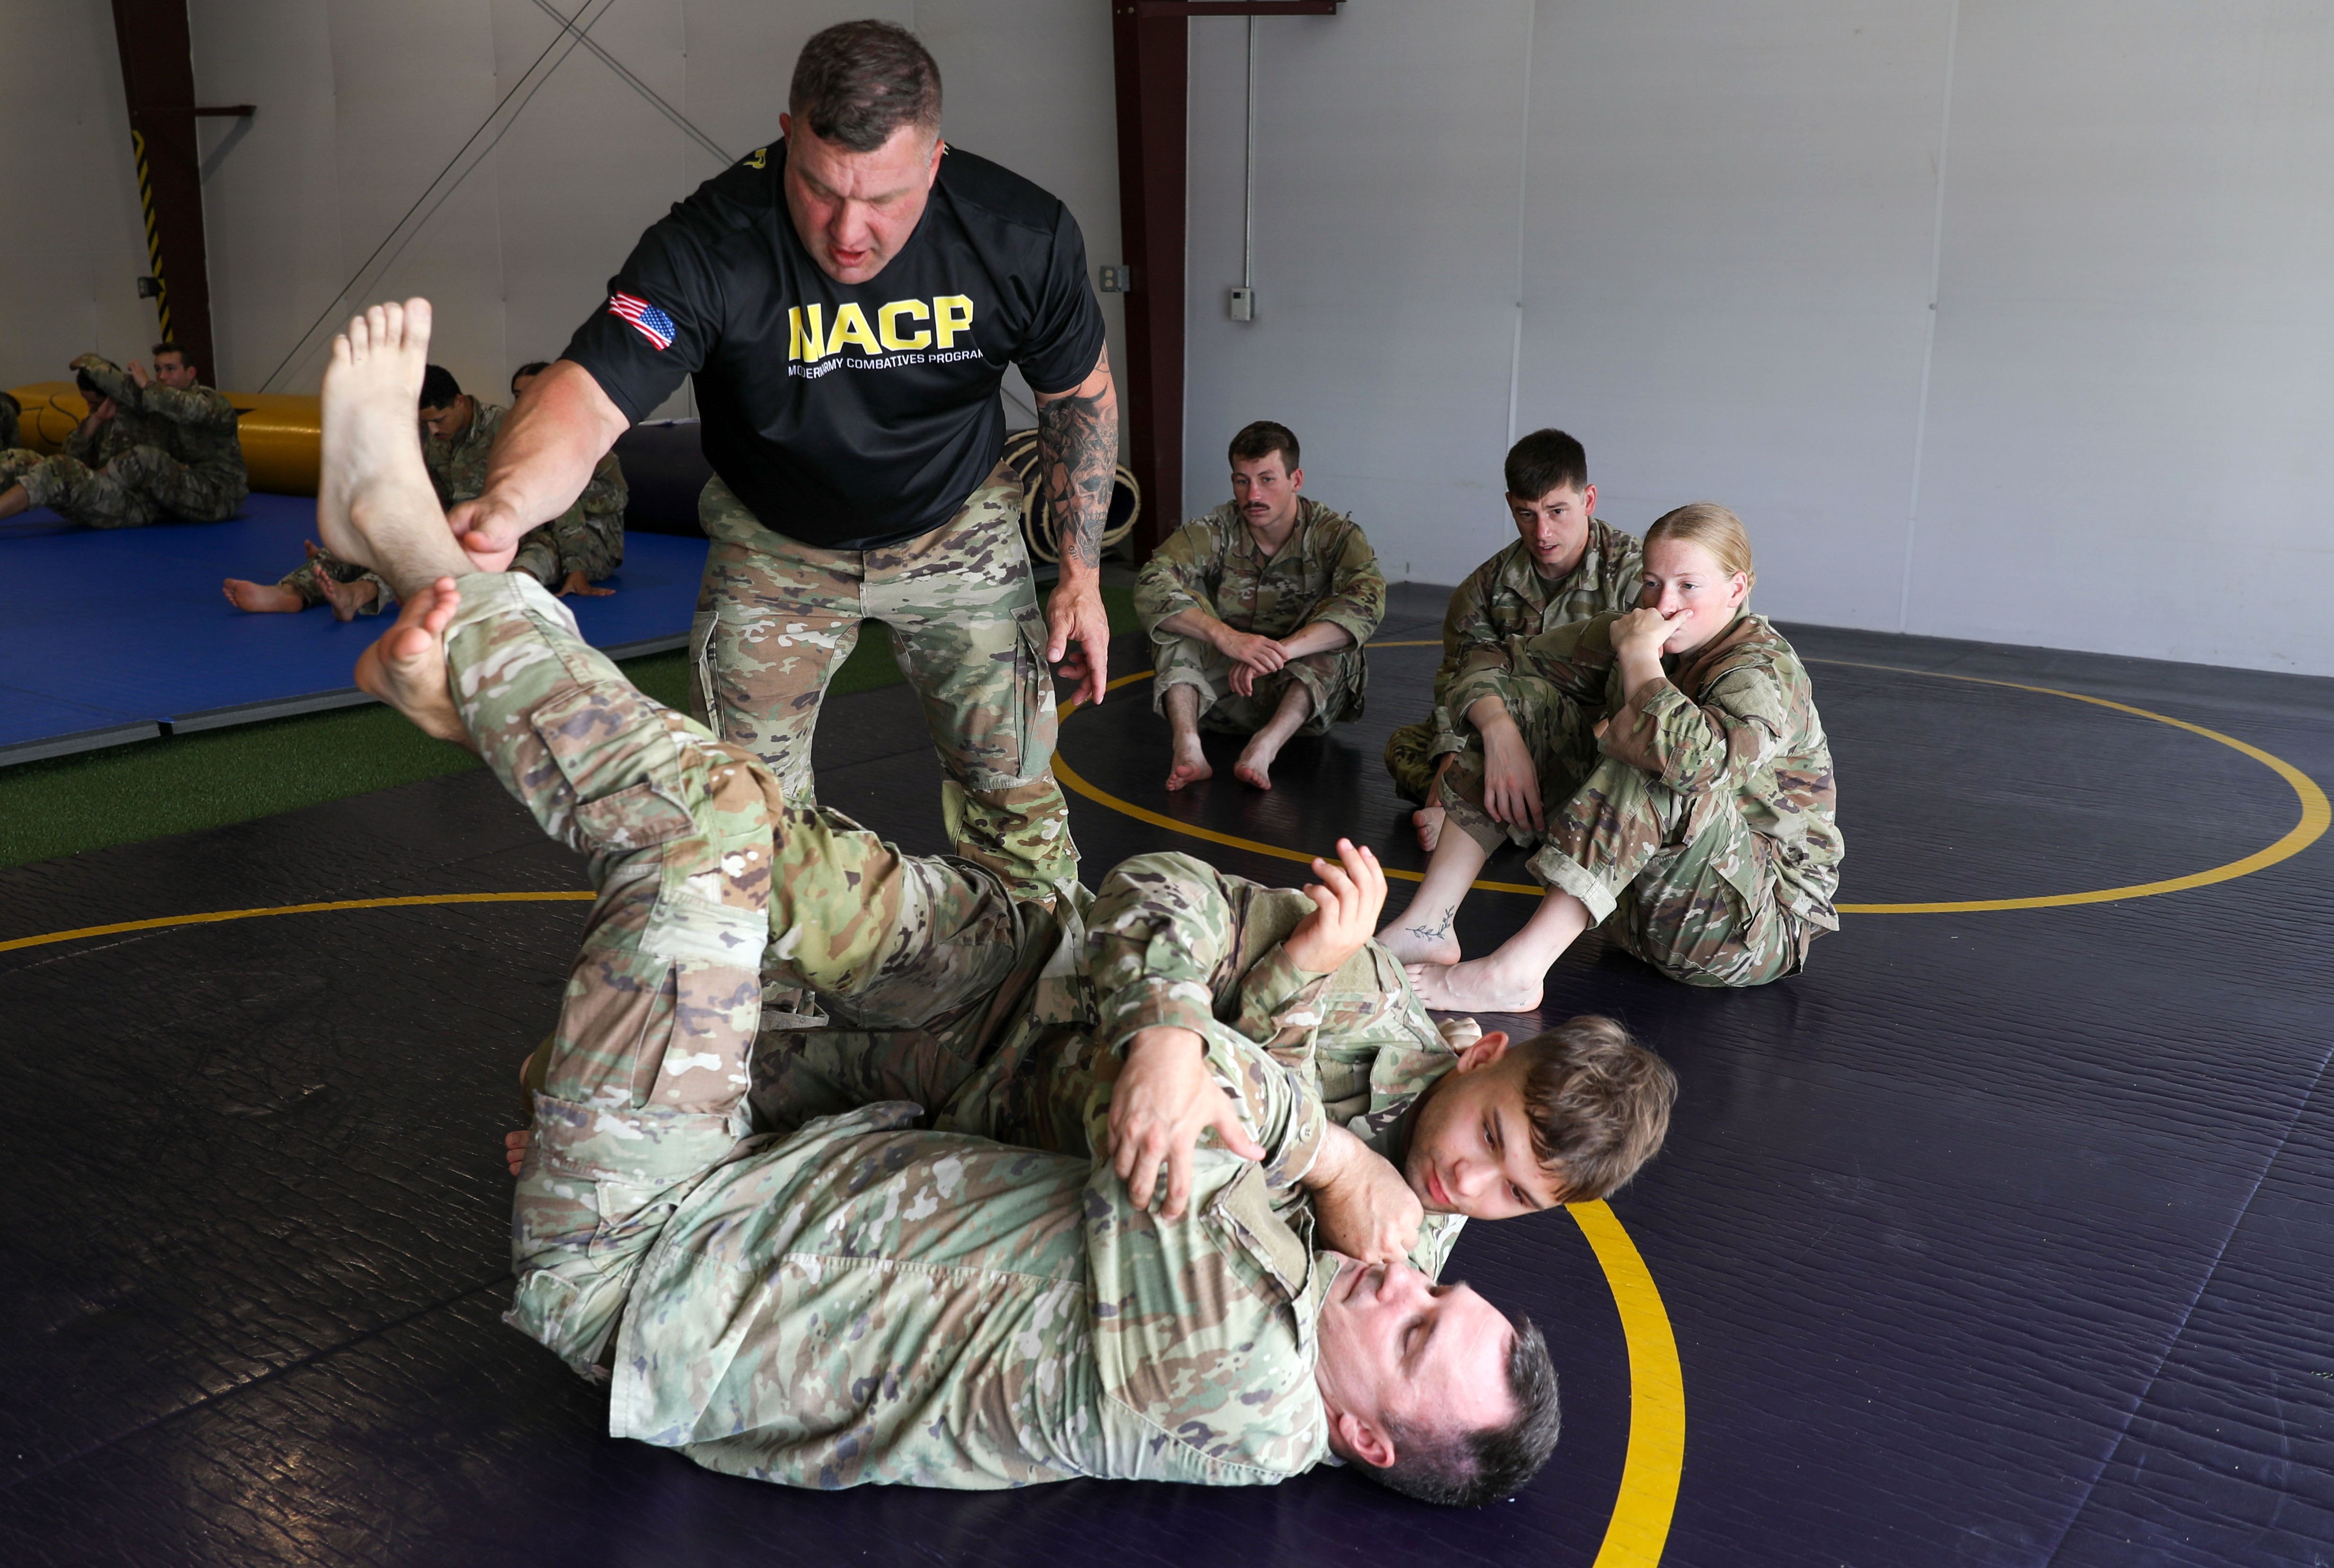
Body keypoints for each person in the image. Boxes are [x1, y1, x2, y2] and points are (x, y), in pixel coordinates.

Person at [314, 296, 1558, 1501]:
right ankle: (462, 668)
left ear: (1364, 1437)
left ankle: (416, 551)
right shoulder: (1357, 1255)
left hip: (653, 1259)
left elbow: (1203, 1109)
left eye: (1409, 1338)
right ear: (1479, 1055)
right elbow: (1166, 954)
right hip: (783, 1165)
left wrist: (1328, 1144)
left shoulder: (1240, 1371)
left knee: (708, 836)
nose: (1410, 1278)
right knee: (756, 856)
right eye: (1438, 1296)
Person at [441, 19, 1118, 903]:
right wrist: (503, 509)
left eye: (885, 199)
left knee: (1016, 792)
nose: (848, 232)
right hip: (777, 544)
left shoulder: (1018, 233)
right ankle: (783, 1032)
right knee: (745, 819)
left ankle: (1043, 999)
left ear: (936, 161)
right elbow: (589, 393)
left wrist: (1082, 571)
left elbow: (1079, 398)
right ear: (787, 135)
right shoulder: (712, 242)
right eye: (821, 189)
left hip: (960, 528)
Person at [506, 838, 1681, 1277]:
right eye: (1487, 1136)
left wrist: (1272, 1007)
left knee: (589, 1090)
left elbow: (1227, 1254)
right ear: (1479, 1050)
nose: (1468, 1184)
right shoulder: (1370, 986)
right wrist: (1171, 1025)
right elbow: (1157, 885)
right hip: (1008, 964)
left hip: (954, 1111)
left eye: (1518, 1194)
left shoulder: (1398, 1248)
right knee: (771, 866)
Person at [1379, 503, 1842, 1008]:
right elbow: (1493, 661)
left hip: (1745, 931)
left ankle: (1518, 972)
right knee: (1521, 707)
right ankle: (1429, 925)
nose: (1664, 604)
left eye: (1689, 586)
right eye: (1652, 582)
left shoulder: (1762, 671)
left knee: (1656, 756)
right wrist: (1499, 730)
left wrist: (1641, 659)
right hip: (1644, 914)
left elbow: (1694, 765)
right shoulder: (1633, 629)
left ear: (1737, 590)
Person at [1387, 429, 1645, 852]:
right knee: (1404, 749)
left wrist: (1455, 806)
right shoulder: (1483, 590)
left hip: (1598, 742)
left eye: (1557, 511)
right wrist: (1494, 735)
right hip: (1504, 733)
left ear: (1589, 500)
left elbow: (1648, 699)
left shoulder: (1635, 580)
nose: (1543, 532)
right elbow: (1457, 692)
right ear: (1510, 505)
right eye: (1527, 514)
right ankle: (1512, 803)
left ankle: (1495, 806)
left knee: (1628, 777)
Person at [224, 365, 623, 618]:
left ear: (462, 402)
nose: (434, 431)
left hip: (513, 535)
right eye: (427, 423)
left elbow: (563, 503)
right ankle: (294, 592)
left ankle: (364, 592)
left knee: (450, 553)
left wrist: (577, 571)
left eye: (440, 419)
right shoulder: (432, 437)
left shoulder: (507, 429)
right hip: (463, 527)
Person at [1136, 420, 1385, 791]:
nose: (1253, 495)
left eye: (1267, 479)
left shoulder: (1334, 535)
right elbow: (1151, 580)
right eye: (1242, 481)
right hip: (1222, 701)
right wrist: (1226, 638)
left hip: (1303, 707)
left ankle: (1264, 748)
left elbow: (1368, 601)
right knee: (1178, 621)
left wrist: (1278, 653)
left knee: (1335, 638)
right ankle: (1188, 746)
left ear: (1295, 479)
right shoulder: (1215, 529)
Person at [0, 344, 245, 527]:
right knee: (19, 459)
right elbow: (72, 455)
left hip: (151, 500)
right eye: (158, 370)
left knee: (62, 469)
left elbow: (182, 411)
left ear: (191, 373)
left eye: (170, 369)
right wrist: (96, 420)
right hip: (117, 491)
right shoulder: (139, 407)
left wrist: (146, 387)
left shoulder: (204, 403)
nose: (162, 376)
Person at [510, 360, 627, 596]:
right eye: (517, 395)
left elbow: (618, 498)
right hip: (539, 532)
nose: (523, 402)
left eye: (531, 393)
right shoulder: (516, 438)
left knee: (540, 549)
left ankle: (515, 589)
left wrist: (568, 486)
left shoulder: (588, 436)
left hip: (591, 539)